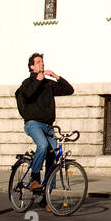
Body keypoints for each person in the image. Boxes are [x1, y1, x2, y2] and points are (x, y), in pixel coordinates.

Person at [16, 53, 74, 193]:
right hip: (33, 124)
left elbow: (69, 90)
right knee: (42, 145)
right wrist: (37, 80)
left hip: (48, 126)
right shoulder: (27, 82)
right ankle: (34, 178)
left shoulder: (47, 84)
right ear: (32, 67)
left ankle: (46, 196)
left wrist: (56, 76)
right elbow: (28, 95)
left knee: (53, 156)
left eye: (42, 61)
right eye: (38, 62)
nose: (42, 64)